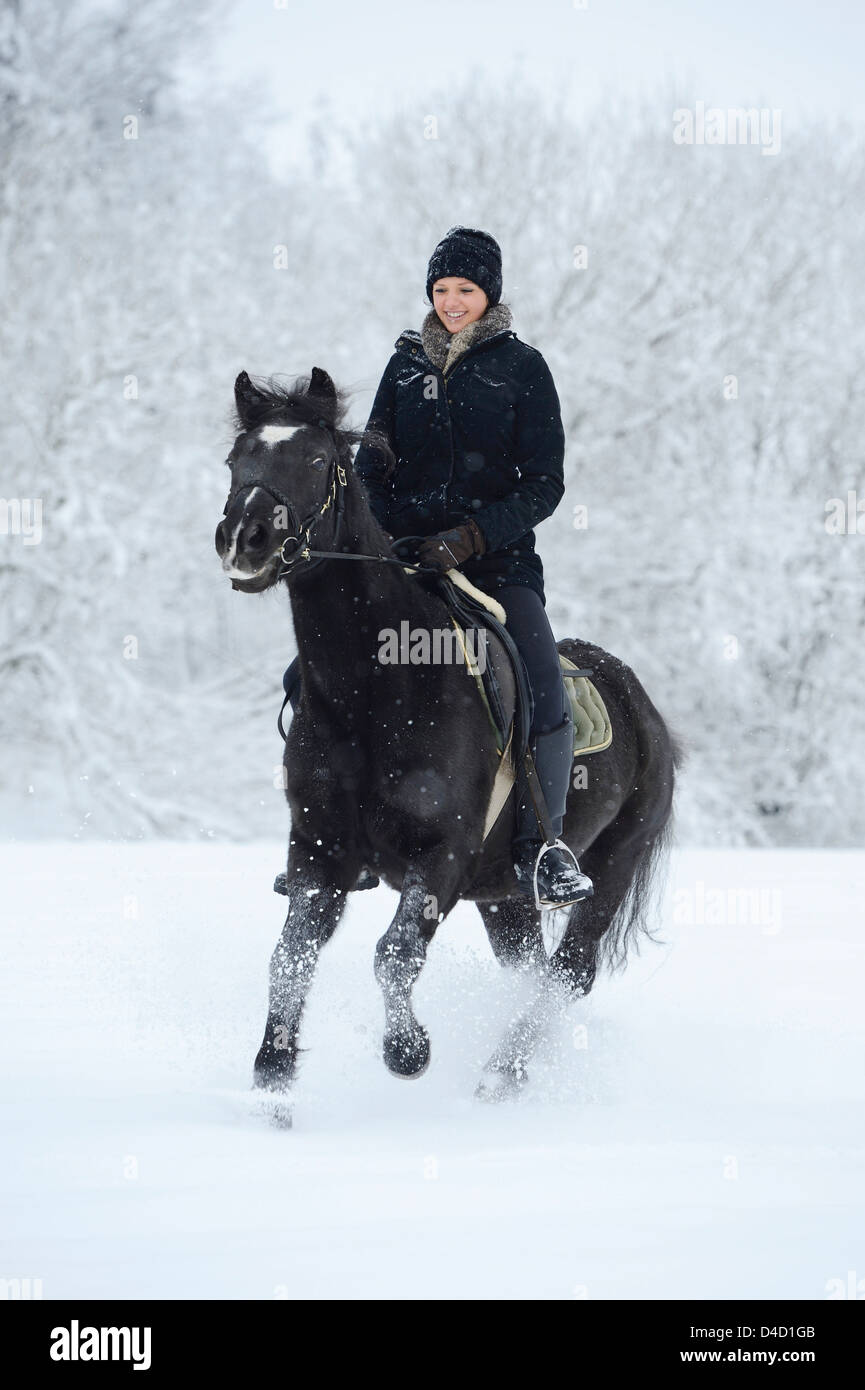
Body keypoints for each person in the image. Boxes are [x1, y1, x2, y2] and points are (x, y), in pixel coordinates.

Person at [351, 226, 593, 907]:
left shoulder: (522, 368)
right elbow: (375, 463)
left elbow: (544, 485)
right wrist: (381, 502)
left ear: (489, 293)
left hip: (495, 566)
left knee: (542, 687)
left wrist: (469, 538)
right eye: (440, 290)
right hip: (407, 565)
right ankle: (345, 836)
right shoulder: (402, 368)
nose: (451, 302)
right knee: (312, 669)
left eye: (465, 290)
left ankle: (543, 849)